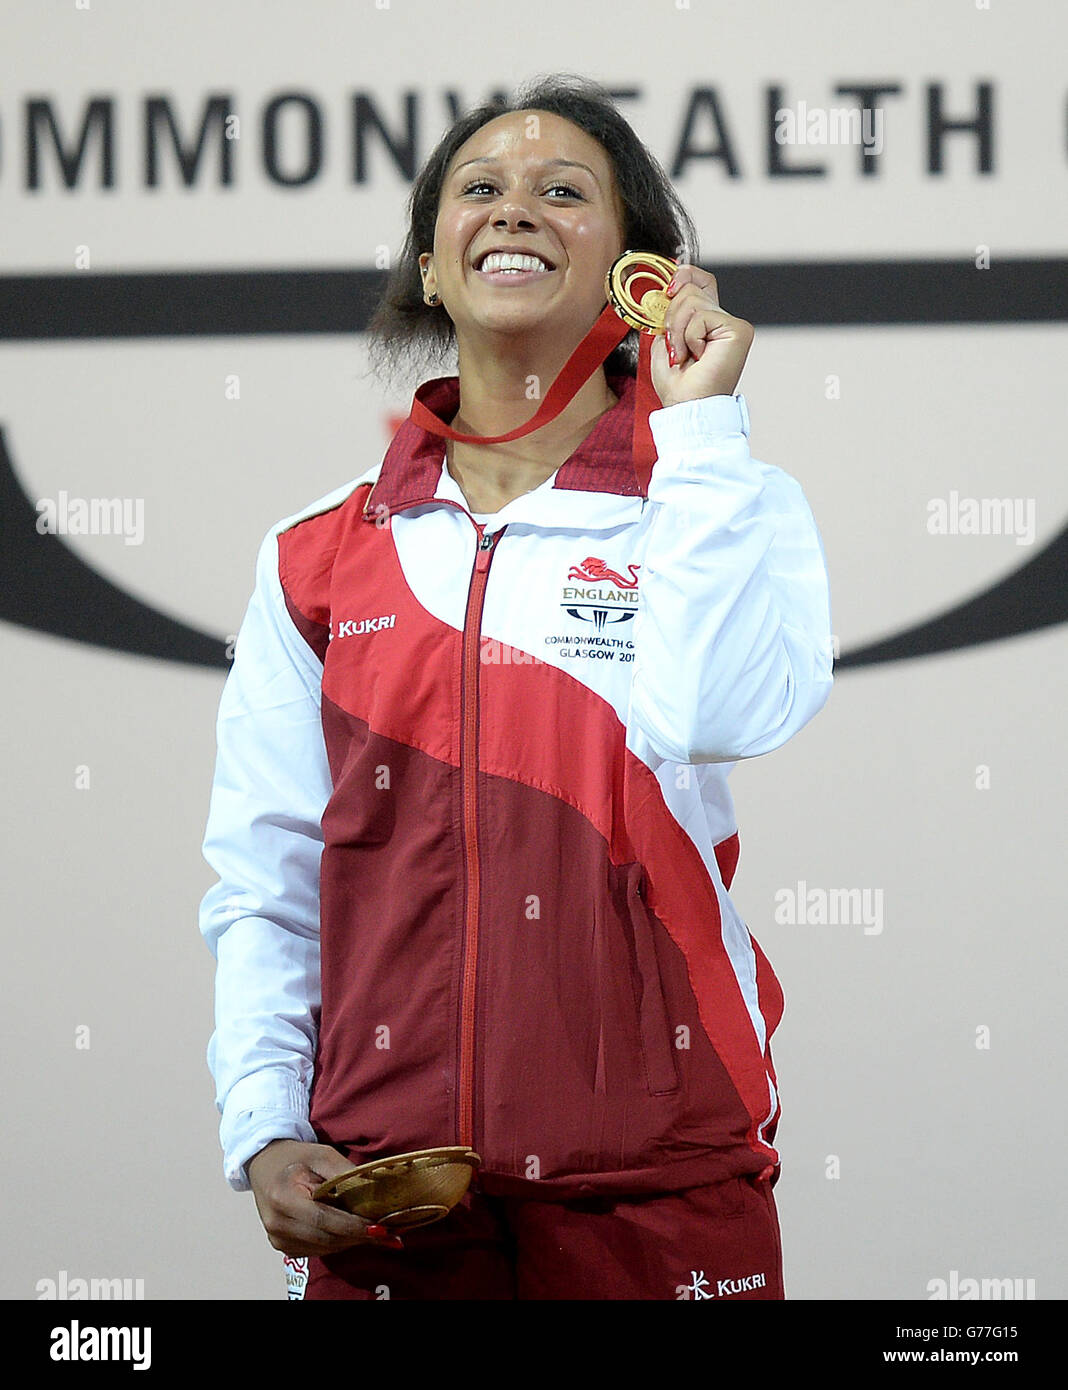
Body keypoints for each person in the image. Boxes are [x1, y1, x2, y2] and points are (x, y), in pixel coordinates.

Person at [198, 73, 834, 1301]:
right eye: (479, 190)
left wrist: (699, 432)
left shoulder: (716, 496)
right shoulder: (317, 553)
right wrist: (264, 1125)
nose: (515, 210)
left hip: (657, 1190)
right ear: (430, 267)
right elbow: (267, 878)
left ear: (637, 268)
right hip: (391, 1194)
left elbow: (716, 715)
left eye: (563, 192)